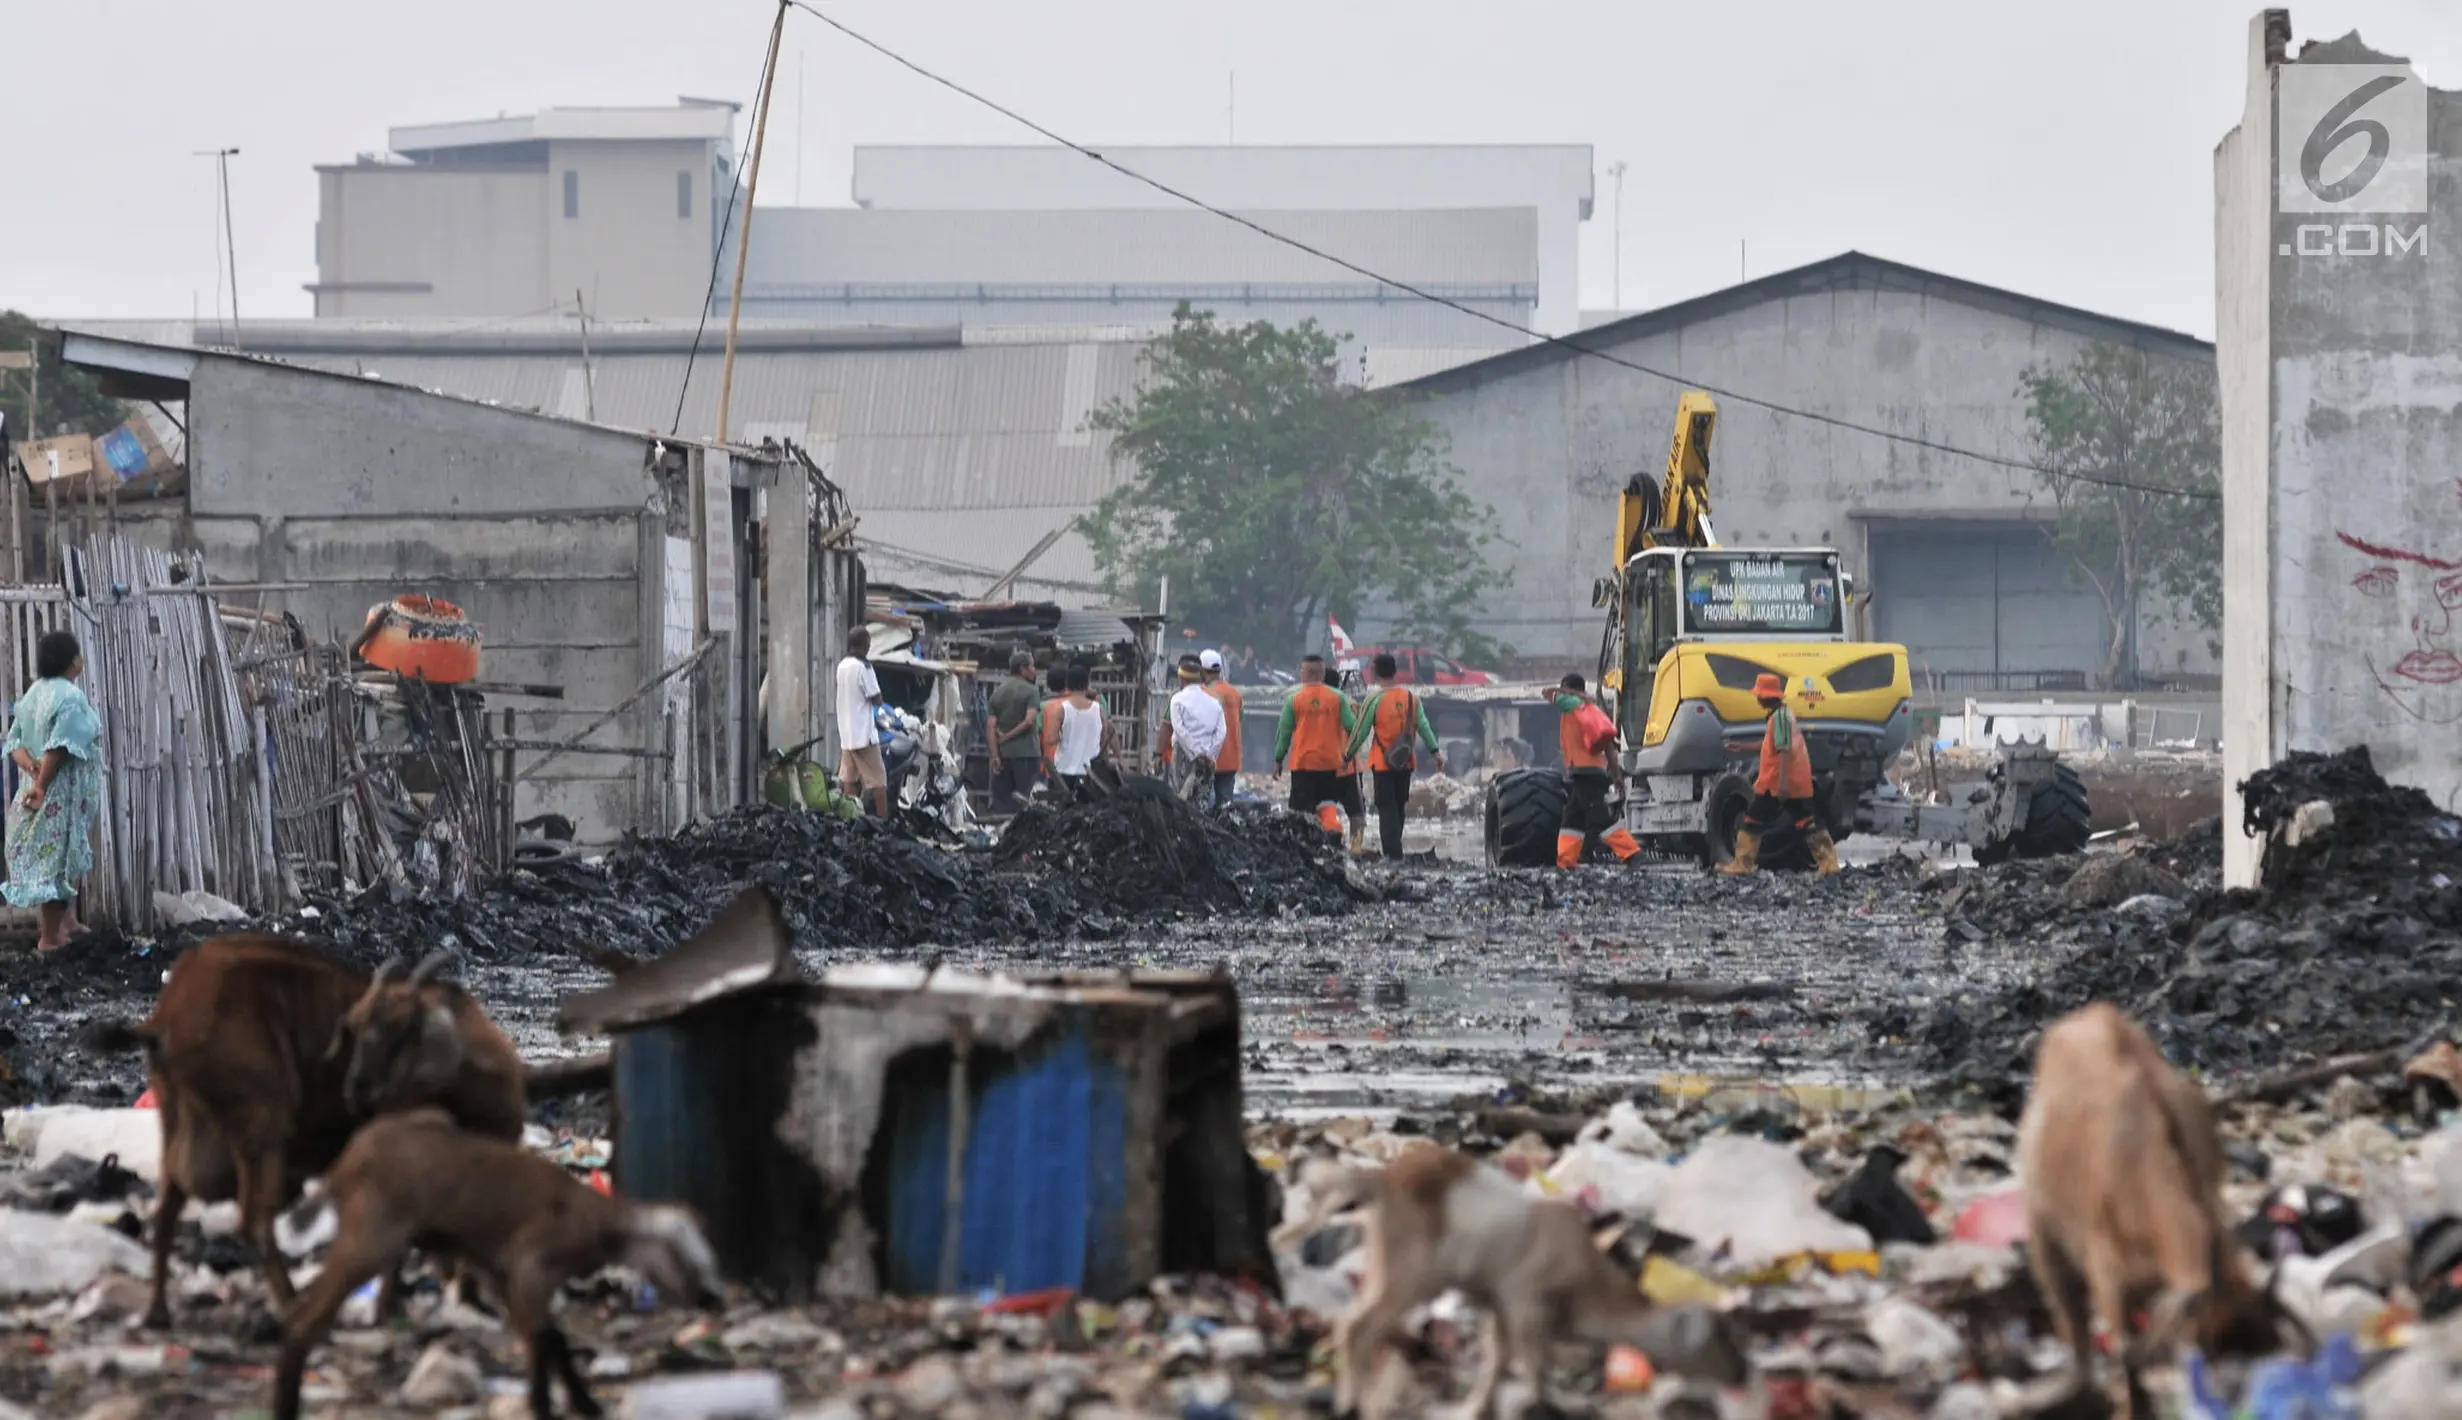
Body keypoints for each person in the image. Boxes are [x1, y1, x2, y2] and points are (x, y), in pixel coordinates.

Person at [5, 630, 103, 952]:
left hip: (36, 789)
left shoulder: (34, 693)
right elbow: (59, 748)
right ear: (72, 661)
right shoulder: (70, 697)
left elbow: (14, 743)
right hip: (56, 795)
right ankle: (50, 939)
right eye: (78, 655)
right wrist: (43, 785)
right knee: (52, 863)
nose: (82, 660)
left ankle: (68, 922)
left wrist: (32, 772)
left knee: (64, 856)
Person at [1722, 672, 1840, 876]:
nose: (1757, 698)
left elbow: (1784, 750)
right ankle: (1829, 865)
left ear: (1767, 697)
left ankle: (1742, 865)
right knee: (1807, 822)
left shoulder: (1780, 718)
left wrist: (1783, 785)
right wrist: (1742, 747)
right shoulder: (1781, 716)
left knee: (1751, 821)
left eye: (1759, 694)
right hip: (1790, 782)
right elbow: (1771, 744)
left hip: (1777, 783)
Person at [1345, 651, 1445, 860]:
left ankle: (1393, 855)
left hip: (1383, 764)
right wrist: (1435, 752)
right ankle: (1395, 849)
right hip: (1406, 763)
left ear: (1375, 673)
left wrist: (1347, 755)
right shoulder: (1410, 697)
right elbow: (1424, 727)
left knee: (1387, 808)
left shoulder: (1374, 699)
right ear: (1395, 672)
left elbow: (1361, 731)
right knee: (1399, 806)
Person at [1553, 673, 1642, 870]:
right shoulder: (1591, 711)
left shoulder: (1575, 707)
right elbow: (1609, 746)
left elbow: (1549, 695)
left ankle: (1631, 853)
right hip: (1585, 773)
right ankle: (1566, 860)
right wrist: (1617, 775)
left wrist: (1563, 693)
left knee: (1600, 819)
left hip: (1586, 774)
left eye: (1564, 689)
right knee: (1571, 818)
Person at [1272, 654, 1359, 836]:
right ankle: (1333, 832)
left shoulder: (1293, 699)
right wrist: (1348, 755)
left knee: (1300, 814)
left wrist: (1279, 759)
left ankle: (1305, 847)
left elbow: (1284, 733)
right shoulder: (1338, 697)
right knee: (1327, 808)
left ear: (1306, 672)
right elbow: (1354, 728)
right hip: (1330, 765)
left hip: (1303, 765)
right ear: (1321, 672)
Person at [835, 627, 888, 818]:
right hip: (864, 735)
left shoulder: (842, 666)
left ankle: (847, 819)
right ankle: (884, 823)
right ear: (864, 644)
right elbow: (876, 698)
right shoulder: (864, 666)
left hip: (847, 734)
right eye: (868, 642)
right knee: (879, 780)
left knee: (849, 778)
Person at [1160, 654, 1227, 806]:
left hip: (1184, 757)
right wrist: (1209, 755)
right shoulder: (1214, 703)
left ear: (1181, 679)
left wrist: (1196, 753)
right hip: (1208, 759)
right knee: (1200, 803)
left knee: (1179, 801)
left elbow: (1179, 730)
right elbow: (1221, 733)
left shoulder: (1177, 699)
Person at [985, 651, 1044, 813]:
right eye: (1032, 666)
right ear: (1023, 668)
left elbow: (990, 726)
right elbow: (1030, 720)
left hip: (1003, 756)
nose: (1034, 670)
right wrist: (1007, 737)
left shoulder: (997, 693)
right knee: (1026, 803)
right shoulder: (1031, 691)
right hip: (1027, 755)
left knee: (1003, 804)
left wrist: (995, 755)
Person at [1052, 663, 1109, 802]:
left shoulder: (1061, 709)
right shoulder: (1099, 709)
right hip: (1090, 773)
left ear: (1068, 683)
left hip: (1064, 770)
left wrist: (1063, 735)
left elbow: (1050, 738)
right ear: (1087, 683)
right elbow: (1104, 737)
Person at [1199, 649, 1245, 810]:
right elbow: (1240, 721)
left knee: (1204, 807)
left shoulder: (1204, 693)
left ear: (1202, 671)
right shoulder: (1235, 694)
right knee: (1225, 809)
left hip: (1209, 759)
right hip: (1231, 759)